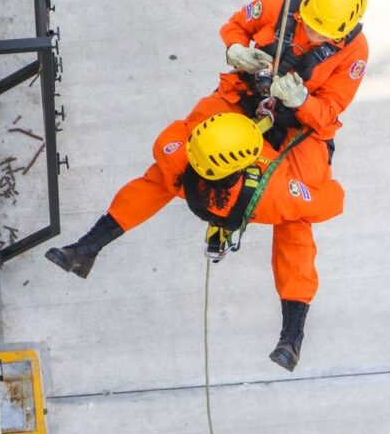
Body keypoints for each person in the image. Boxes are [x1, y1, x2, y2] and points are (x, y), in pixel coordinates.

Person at [46, 113, 344, 372]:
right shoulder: (273, 193)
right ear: (242, 168)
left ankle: (87, 247)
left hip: (211, 173)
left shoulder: (179, 158)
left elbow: (185, 128)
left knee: (156, 181)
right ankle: (292, 335)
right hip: (293, 141)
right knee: (296, 228)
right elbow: (329, 201)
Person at [184, 0, 369, 189]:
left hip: (297, 122)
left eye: (323, 34)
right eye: (309, 25)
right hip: (247, 94)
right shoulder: (281, 5)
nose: (313, 34)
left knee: (305, 187)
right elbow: (238, 25)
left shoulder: (354, 52)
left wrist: (301, 100)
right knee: (194, 143)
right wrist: (236, 49)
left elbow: (329, 112)